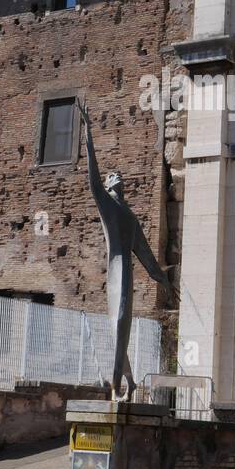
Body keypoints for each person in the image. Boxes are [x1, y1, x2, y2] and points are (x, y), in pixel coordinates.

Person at [77, 99, 171, 401]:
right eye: (111, 175)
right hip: (115, 275)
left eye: (119, 175)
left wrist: (164, 280)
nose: (116, 175)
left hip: (126, 277)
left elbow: (147, 258)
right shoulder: (107, 204)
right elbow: (92, 180)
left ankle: (123, 385)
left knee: (122, 329)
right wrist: (89, 137)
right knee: (118, 328)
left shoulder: (130, 218)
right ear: (108, 184)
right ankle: (119, 386)